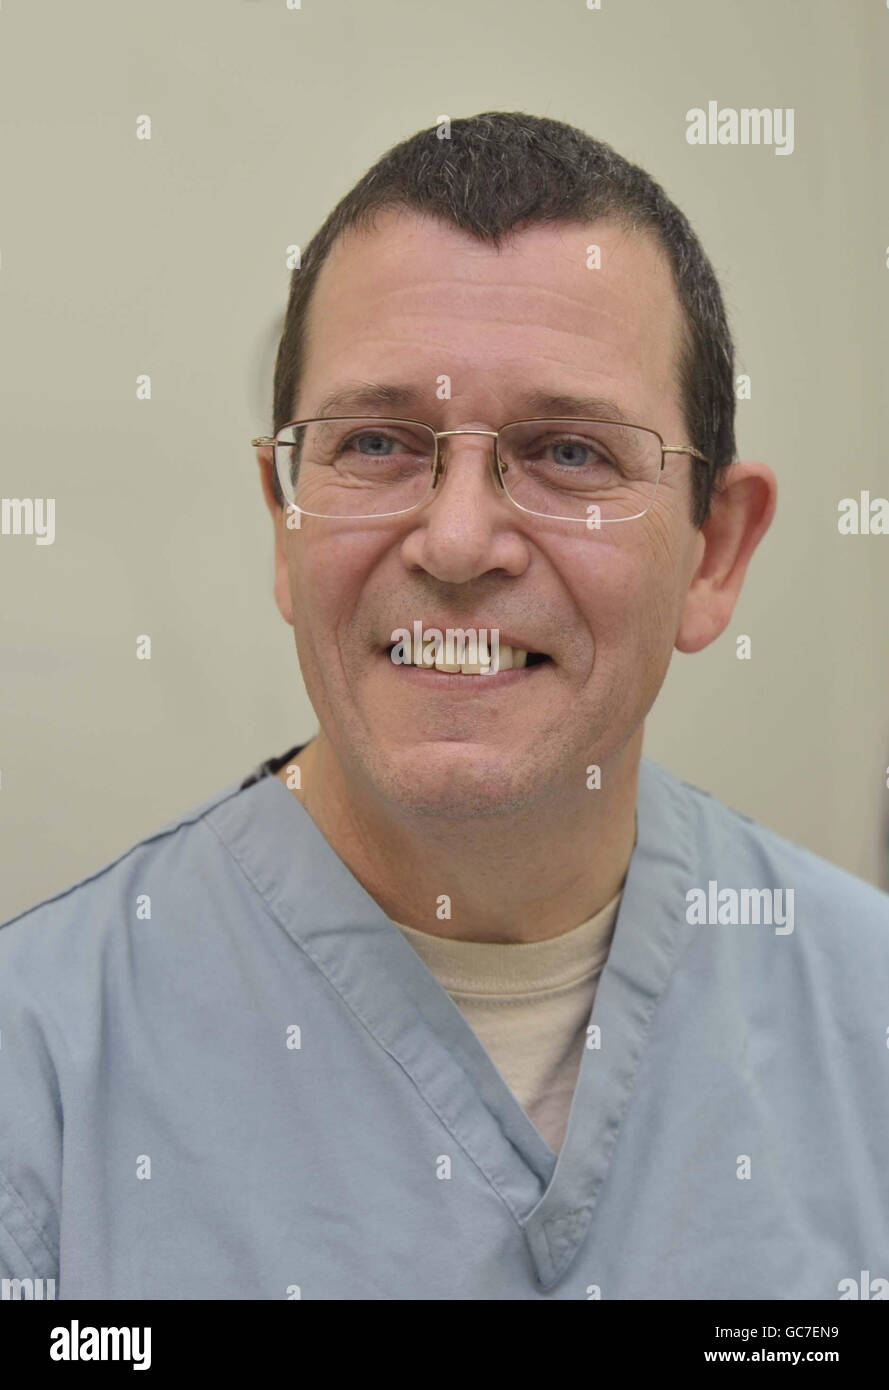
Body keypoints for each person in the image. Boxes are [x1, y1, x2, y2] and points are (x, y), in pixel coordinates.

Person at [1, 111, 887, 1302]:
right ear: (284, 520)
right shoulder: (40, 1070)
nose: (459, 539)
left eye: (569, 453)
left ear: (714, 550)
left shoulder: (863, 1021)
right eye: (376, 441)